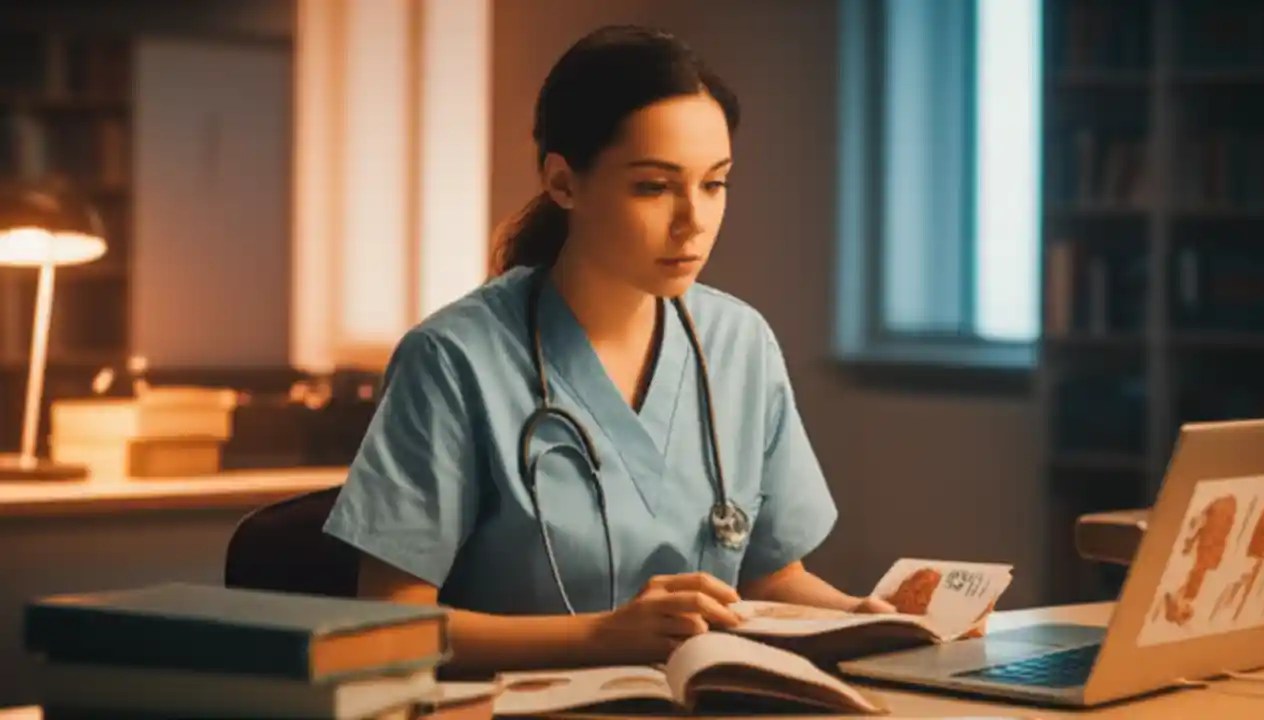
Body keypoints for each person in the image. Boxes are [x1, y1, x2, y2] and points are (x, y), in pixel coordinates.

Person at [322, 24, 893, 675]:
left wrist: (859, 616)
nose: (693, 220)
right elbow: (390, 624)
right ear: (563, 183)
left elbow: (771, 578)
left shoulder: (740, 345)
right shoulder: (453, 360)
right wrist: (598, 638)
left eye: (715, 184)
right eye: (654, 186)